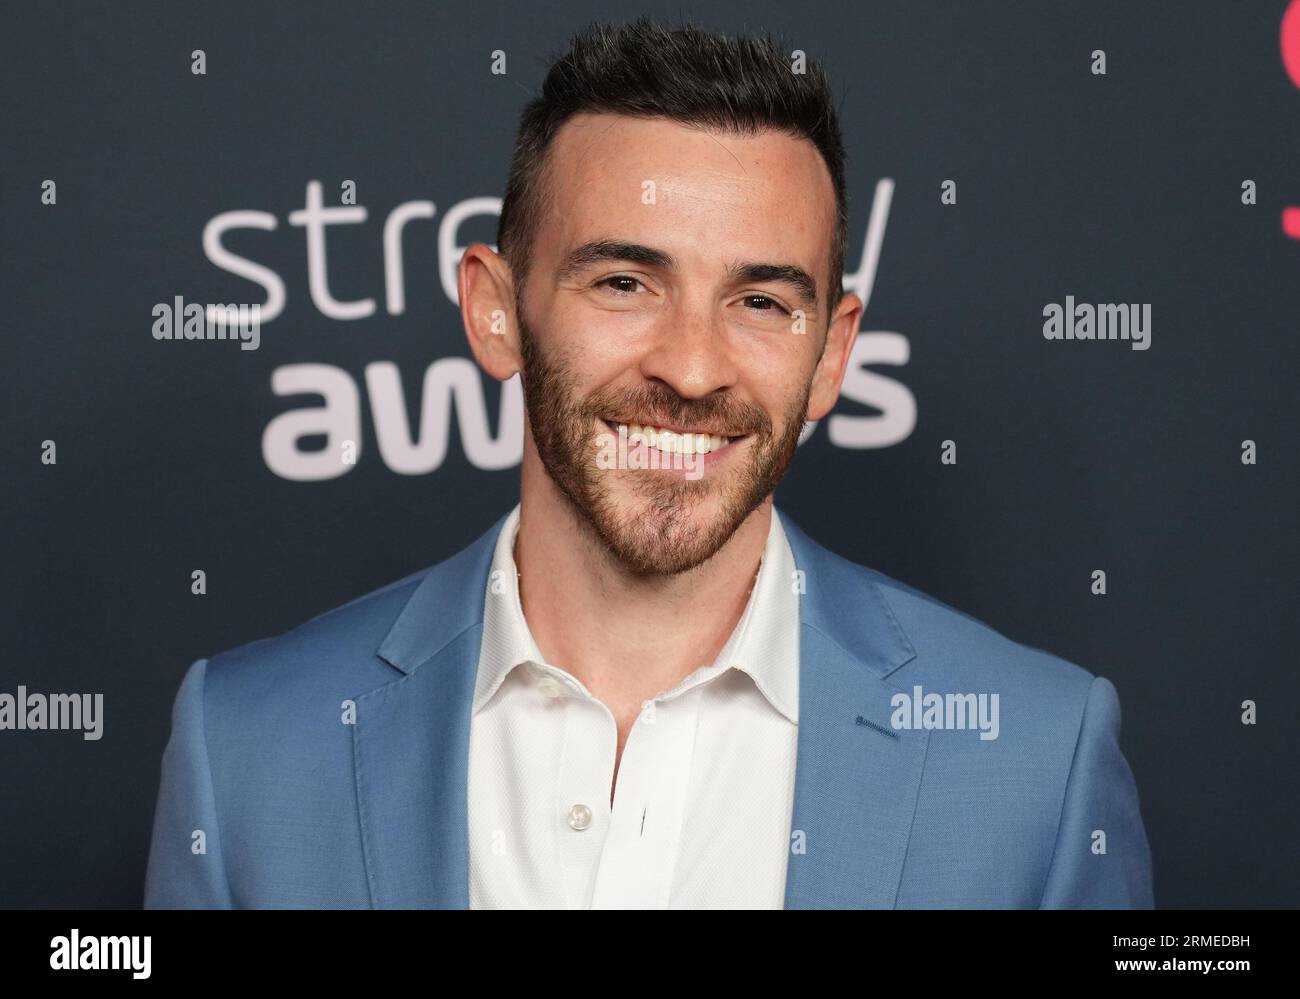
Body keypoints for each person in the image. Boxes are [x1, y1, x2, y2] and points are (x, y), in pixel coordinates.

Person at [145, 16, 1153, 909]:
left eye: (760, 301)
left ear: (831, 355)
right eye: (625, 281)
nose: (691, 366)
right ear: (495, 310)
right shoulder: (247, 750)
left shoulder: (1034, 761)